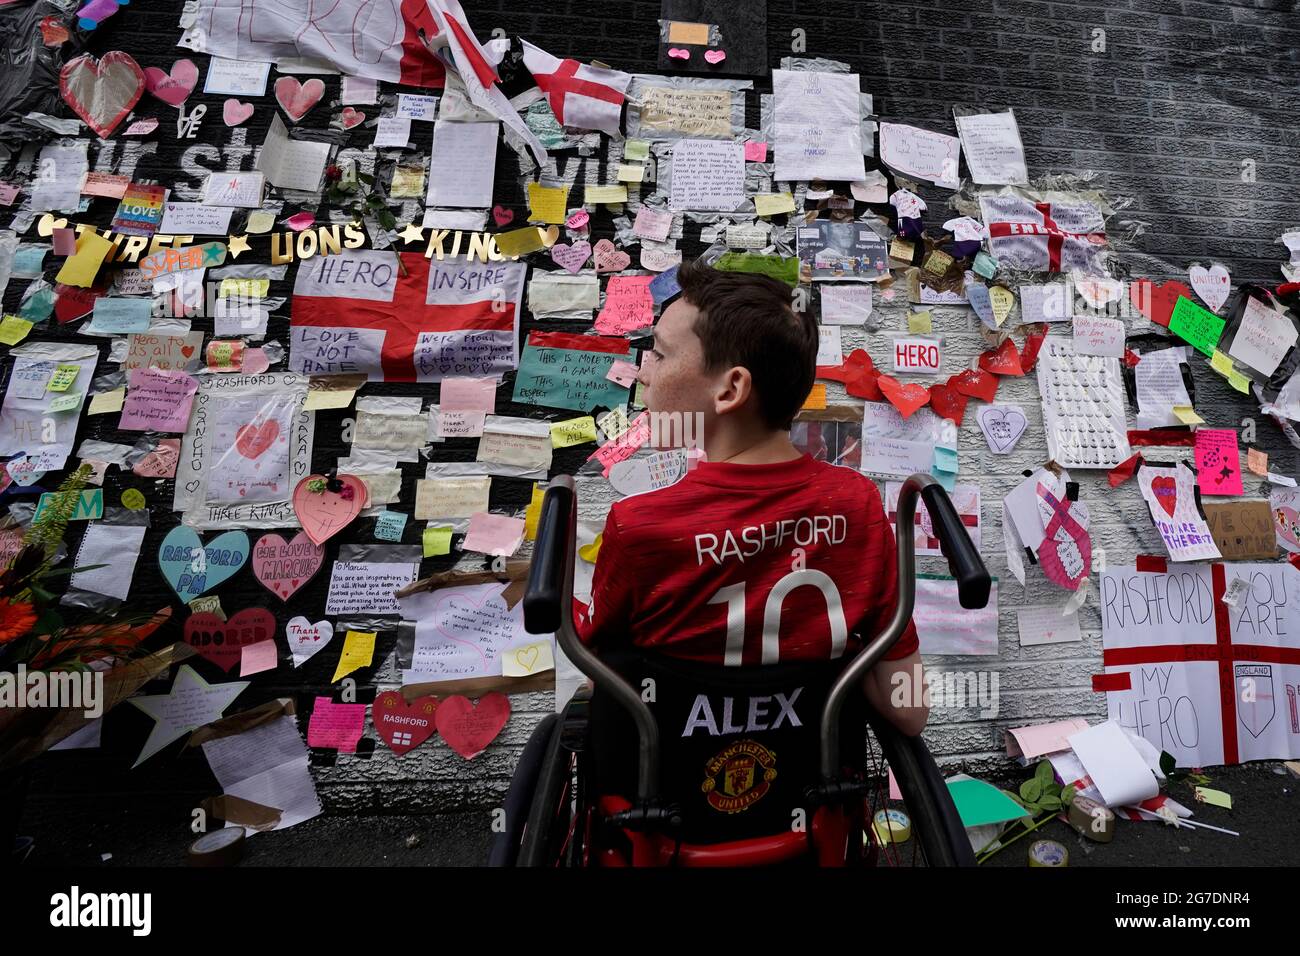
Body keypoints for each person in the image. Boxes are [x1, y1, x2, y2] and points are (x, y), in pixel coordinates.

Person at [576, 261, 929, 736]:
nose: (643, 374)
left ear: (731, 389)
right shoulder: (857, 504)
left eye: (658, 355)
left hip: (665, 792)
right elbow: (908, 712)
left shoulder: (638, 527)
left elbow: (604, 681)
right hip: (816, 786)